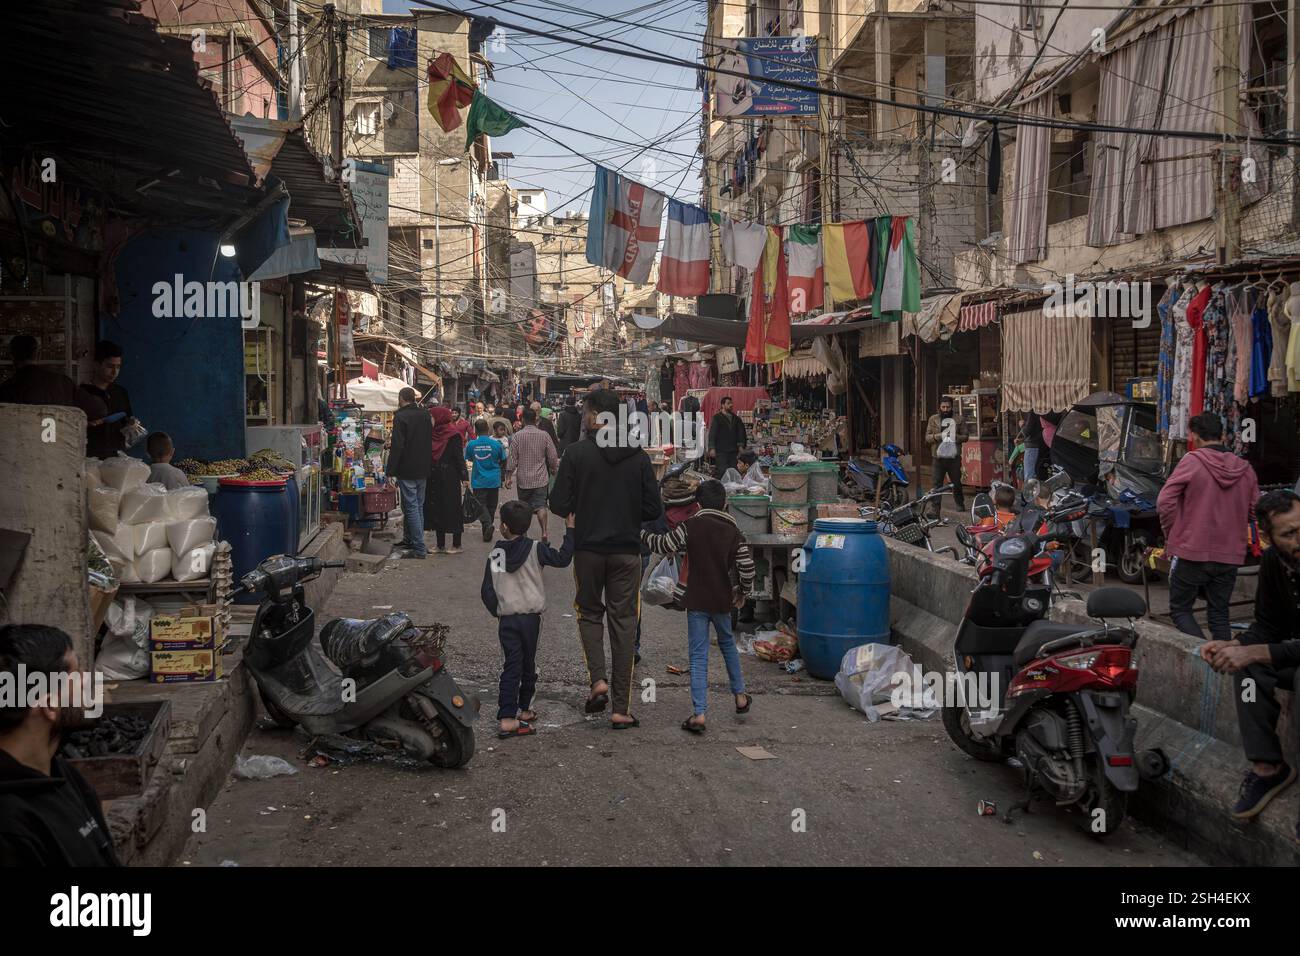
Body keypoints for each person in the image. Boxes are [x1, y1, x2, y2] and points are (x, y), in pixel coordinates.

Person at [549, 388, 663, 728]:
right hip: (627, 552)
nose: (584, 416)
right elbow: (653, 508)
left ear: (594, 414)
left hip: (587, 551)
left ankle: (597, 679)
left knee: (589, 614)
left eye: (586, 411)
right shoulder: (639, 456)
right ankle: (621, 708)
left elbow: (557, 503)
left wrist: (581, 508)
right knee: (624, 623)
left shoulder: (575, 454)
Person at [1200, 490, 1300, 836]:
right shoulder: (1274, 563)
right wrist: (1234, 645)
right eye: (1289, 534)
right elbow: (1267, 626)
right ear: (1268, 538)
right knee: (1244, 670)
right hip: (1290, 653)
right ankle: (1267, 767)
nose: (1299, 539)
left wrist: (1256, 651)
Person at [0, 624, 120, 866]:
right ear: (50, 706)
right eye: (78, 674)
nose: (90, 681)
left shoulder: (63, 774)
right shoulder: (10, 826)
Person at [641, 480, 754, 733]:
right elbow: (747, 567)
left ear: (697, 504)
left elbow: (663, 545)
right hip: (721, 600)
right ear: (725, 504)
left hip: (696, 600)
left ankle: (700, 713)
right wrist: (742, 591)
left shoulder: (690, 526)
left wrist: (640, 533)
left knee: (698, 654)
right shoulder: (734, 532)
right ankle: (740, 696)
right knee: (727, 645)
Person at [1157, 411, 1259, 641]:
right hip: (1229, 554)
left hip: (1191, 550)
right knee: (1219, 614)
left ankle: (1203, 657)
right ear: (1223, 435)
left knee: (1181, 610)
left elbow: (1164, 502)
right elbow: (1256, 510)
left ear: (1194, 436)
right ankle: (1221, 664)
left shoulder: (1192, 461)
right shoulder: (1245, 468)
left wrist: (1172, 533)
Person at [482, 502, 576, 739]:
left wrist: (499, 608)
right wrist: (570, 530)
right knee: (528, 664)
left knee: (511, 665)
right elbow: (563, 559)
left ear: (503, 527)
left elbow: (488, 590)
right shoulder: (536, 549)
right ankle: (523, 709)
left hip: (508, 620)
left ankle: (507, 715)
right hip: (531, 619)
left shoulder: (498, 553)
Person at [0, 335, 102, 421]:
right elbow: (97, 410)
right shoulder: (62, 382)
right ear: (38, 354)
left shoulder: (6, 389)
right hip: (58, 442)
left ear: (12, 357)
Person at [387, 387, 434, 558]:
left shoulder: (401, 416)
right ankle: (413, 541)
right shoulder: (425, 414)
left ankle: (419, 548)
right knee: (416, 506)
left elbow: (397, 445)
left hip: (407, 468)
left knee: (412, 507)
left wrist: (390, 470)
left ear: (401, 398)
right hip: (423, 466)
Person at [505, 407, 559, 542]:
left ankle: (523, 535)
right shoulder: (544, 435)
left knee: (523, 508)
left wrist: (508, 477)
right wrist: (553, 468)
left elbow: (512, 459)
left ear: (522, 420)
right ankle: (544, 532)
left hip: (523, 479)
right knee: (541, 506)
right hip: (540, 479)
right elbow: (552, 456)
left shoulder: (517, 436)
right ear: (536, 419)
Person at [424, 406, 469, 554]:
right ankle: (440, 544)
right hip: (435, 477)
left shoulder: (453, 434)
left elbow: (459, 457)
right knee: (438, 508)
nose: (431, 420)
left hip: (450, 477)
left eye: (433, 417)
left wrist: (464, 477)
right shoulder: (432, 434)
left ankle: (457, 544)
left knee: (453, 509)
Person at [80, 341, 135, 460]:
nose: (114, 372)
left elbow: (128, 420)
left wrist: (132, 425)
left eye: (118, 367)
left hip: (117, 459)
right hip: (90, 458)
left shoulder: (121, 393)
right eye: (110, 366)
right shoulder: (83, 393)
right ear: (96, 365)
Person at [924, 396, 968, 517]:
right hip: (938, 457)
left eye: (947, 407)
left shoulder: (959, 419)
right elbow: (927, 438)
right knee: (936, 484)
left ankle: (960, 503)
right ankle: (935, 510)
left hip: (953, 457)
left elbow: (966, 436)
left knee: (956, 482)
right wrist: (939, 436)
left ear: (951, 407)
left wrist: (955, 437)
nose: (945, 409)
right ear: (939, 407)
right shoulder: (933, 419)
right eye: (943, 407)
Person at [465, 418, 507, 542]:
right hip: (494, 479)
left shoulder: (471, 444)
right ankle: (487, 530)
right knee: (491, 506)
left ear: (475, 430)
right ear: (488, 430)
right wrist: (502, 476)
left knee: (480, 506)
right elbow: (503, 460)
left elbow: (470, 459)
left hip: (479, 480)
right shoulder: (496, 444)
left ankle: (488, 526)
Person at [707, 395, 747, 476]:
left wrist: (741, 446)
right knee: (722, 471)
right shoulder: (717, 418)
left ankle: (733, 488)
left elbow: (741, 433)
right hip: (721, 451)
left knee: (734, 472)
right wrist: (712, 448)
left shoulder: (736, 419)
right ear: (722, 405)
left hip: (733, 451)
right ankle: (722, 488)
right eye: (728, 403)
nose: (731, 405)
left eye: (731, 403)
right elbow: (712, 433)